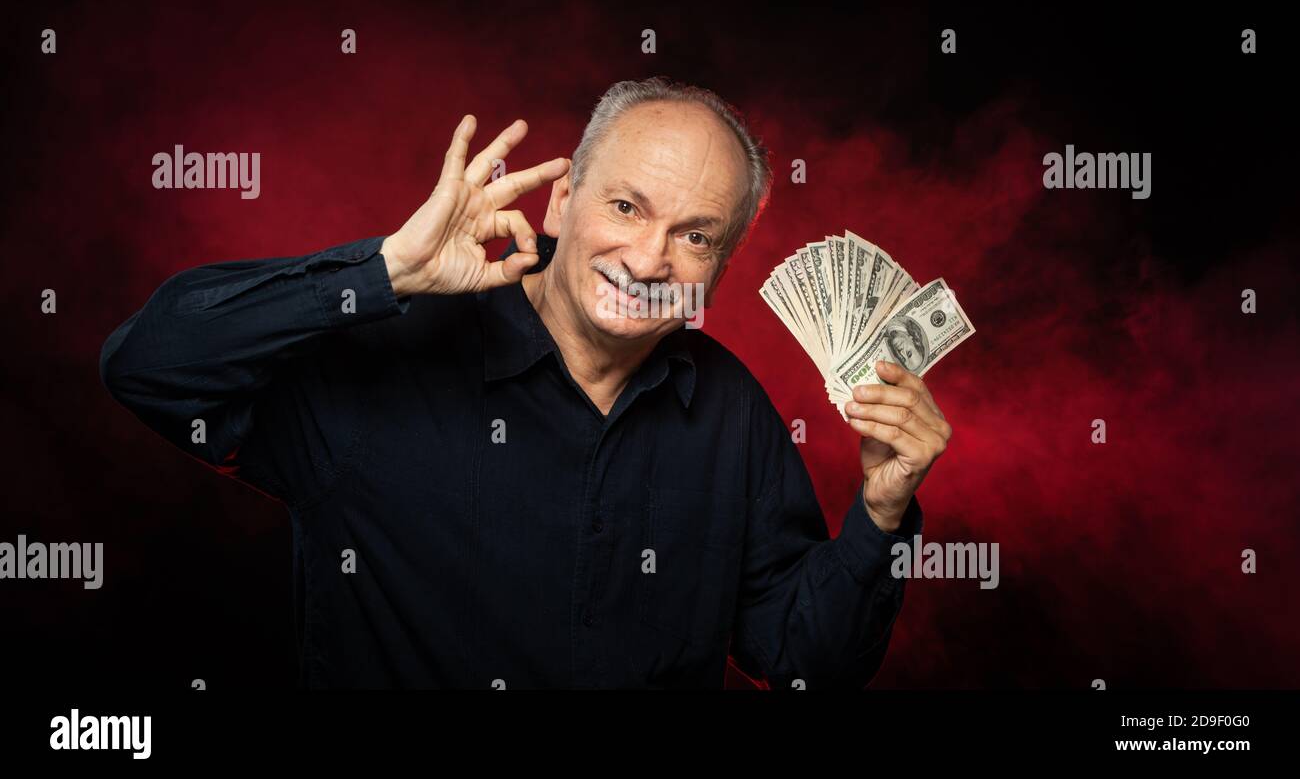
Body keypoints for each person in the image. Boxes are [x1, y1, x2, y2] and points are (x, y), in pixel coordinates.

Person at [99, 76, 952, 688]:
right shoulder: (388, 354)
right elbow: (149, 363)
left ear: (721, 265)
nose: (651, 259)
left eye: (696, 237)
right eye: (627, 207)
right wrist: (384, 271)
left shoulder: (731, 411)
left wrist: (880, 516)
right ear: (562, 197)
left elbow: (800, 658)